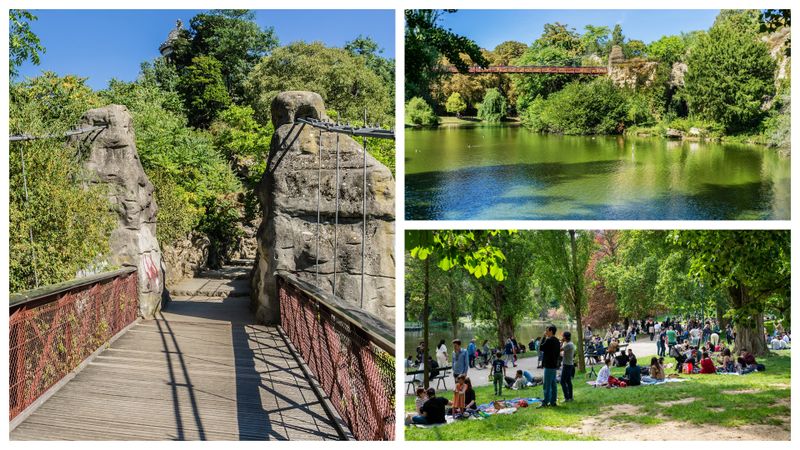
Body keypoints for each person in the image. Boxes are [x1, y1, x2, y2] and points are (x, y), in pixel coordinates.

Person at [539, 325, 560, 407]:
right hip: (554, 365)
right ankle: (553, 401)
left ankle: (545, 402)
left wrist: (543, 337)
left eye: (547, 331)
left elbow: (540, 347)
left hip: (549, 366)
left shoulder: (549, 340)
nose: (546, 332)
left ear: (551, 331)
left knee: (546, 385)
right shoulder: (557, 341)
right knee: (553, 385)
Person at [560, 331, 576, 402]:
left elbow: (559, 349)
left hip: (567, 365)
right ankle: (570, 397)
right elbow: (562, 353)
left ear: (565, 337)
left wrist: (561, 342)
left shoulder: (568, 345)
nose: (562, 337)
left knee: (562, 381)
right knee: (568, 381)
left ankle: (567, 398)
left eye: (563, 336)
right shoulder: (568, 343)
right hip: (569, 364)